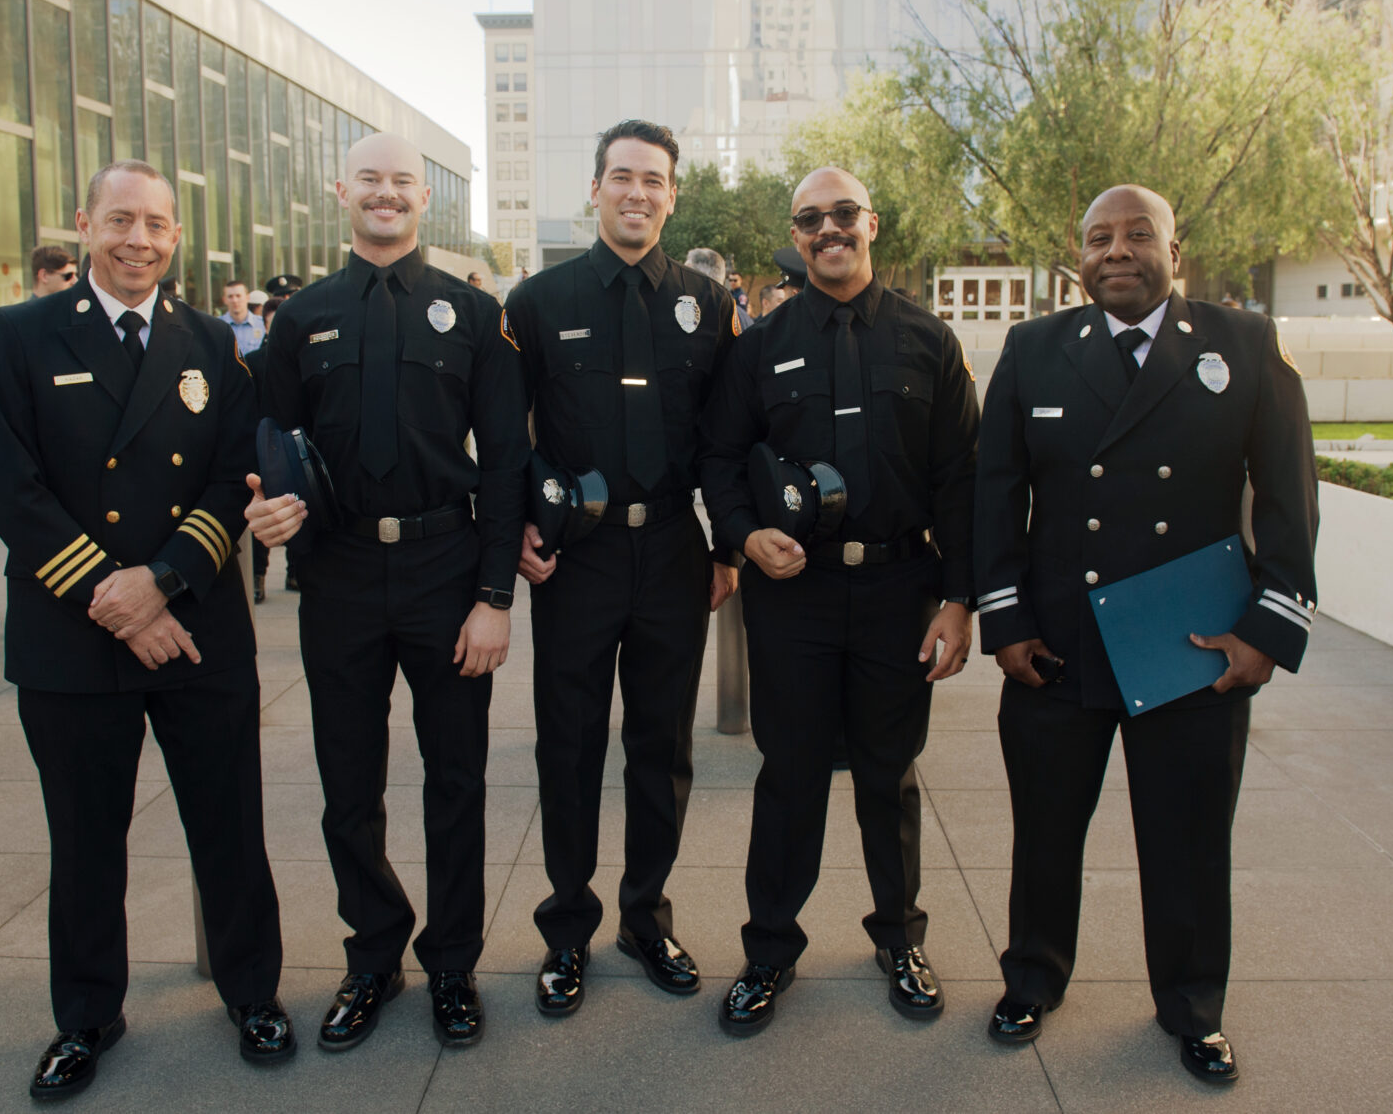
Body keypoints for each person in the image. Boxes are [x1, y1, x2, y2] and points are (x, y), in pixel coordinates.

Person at [973, 185, 1317, 1086]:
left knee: (1190, 839)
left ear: (1177, 250)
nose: (1115, 250)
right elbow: (995, 494)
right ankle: (1032, 979)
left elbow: (1289, 500)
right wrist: (1004, 621)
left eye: (1137, 235)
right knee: (1045, 831)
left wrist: (1265, 634)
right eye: (1097, 238)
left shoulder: (1242, 344)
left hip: (1192, 646)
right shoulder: (1033, 348)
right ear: (1076, 257)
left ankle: (1194, 1007)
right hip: (1058, 644)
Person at [0, 161, 289, 1100]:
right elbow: (9, 488)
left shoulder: (210, 344)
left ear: (177, 235)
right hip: (72, 633)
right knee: (84, 840)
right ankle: (85, 1016)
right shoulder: (19, 335)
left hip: (193, 628)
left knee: (228, 826)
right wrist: (111, 595)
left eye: (156, 224)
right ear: (84, 224)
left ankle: (253, 994)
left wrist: (159, 586)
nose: (137, 239)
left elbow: (235, 477)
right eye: (120, 220)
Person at [245, 132, 527, 1051]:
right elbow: (271, 441)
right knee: (347, 787)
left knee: (456, 779)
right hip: (340, 577)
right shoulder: (302, 318)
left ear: (424, 201)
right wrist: (271, 511)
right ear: (342, 191)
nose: (387, 194)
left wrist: (495, 596)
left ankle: (452, 966)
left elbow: (507, 462)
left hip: (448, 571)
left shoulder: (472, 313)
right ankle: (373, 957)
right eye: (370, 178)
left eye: (403, 182)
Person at [699, 168, 977, 1035]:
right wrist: (744, 537)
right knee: (790, 778)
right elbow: (719, 460)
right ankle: (770, 951)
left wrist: (961, 599)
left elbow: (963, 480)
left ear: (872, 224)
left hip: (901, 590)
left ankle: (899, 938)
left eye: (844, 215)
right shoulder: (759, 345)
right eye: (812, 219)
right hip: (797, 595)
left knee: (889, 779)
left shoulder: (929, 340)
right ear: (797, 232)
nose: (830, 230)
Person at [504, 119, 739, 1018]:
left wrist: (726, 546)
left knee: (662, 749)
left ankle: (645, 917)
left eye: (655, 180)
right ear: (594, 188)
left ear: (672, 195)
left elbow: (726, 440)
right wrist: (527, 520)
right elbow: (506, 433)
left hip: (675, 550)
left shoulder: (708, 305)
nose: (637, 193)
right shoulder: (536, 300)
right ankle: (567, 928)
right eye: (622, 177)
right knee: (566, 746)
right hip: (579, 557)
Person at [243, 293, 284, 605]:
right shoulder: (254, 361)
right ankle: (258, 576)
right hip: (264, 444)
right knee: (265, 512)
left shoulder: (302, 354)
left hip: (296, 443)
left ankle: (295, 570)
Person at [219, 279, 265, 356]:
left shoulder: (262, 325)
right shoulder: (217, 326)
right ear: (224, 300)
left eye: (238, 296)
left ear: (247, 297)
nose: (235, 300)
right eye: (230, 296)